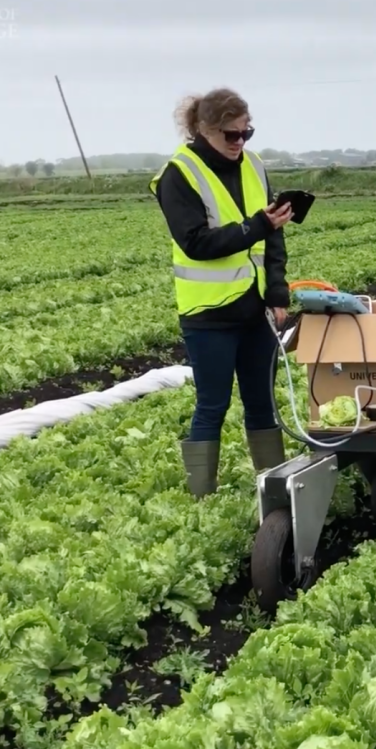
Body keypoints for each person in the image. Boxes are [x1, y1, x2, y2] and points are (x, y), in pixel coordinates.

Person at [149, 87, 294, 499]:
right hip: (209, 314)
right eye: (231, 135)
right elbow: (196, 242)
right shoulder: (179, 174)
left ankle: (276, 490)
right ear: (203, 130)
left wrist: (277, 292)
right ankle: (202, 498)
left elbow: (274, 237)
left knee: (262, 403)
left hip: (255, 310)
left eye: (246, 133)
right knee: (212, 407)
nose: (240, 143)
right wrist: (256, 226)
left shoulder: (255, 166)